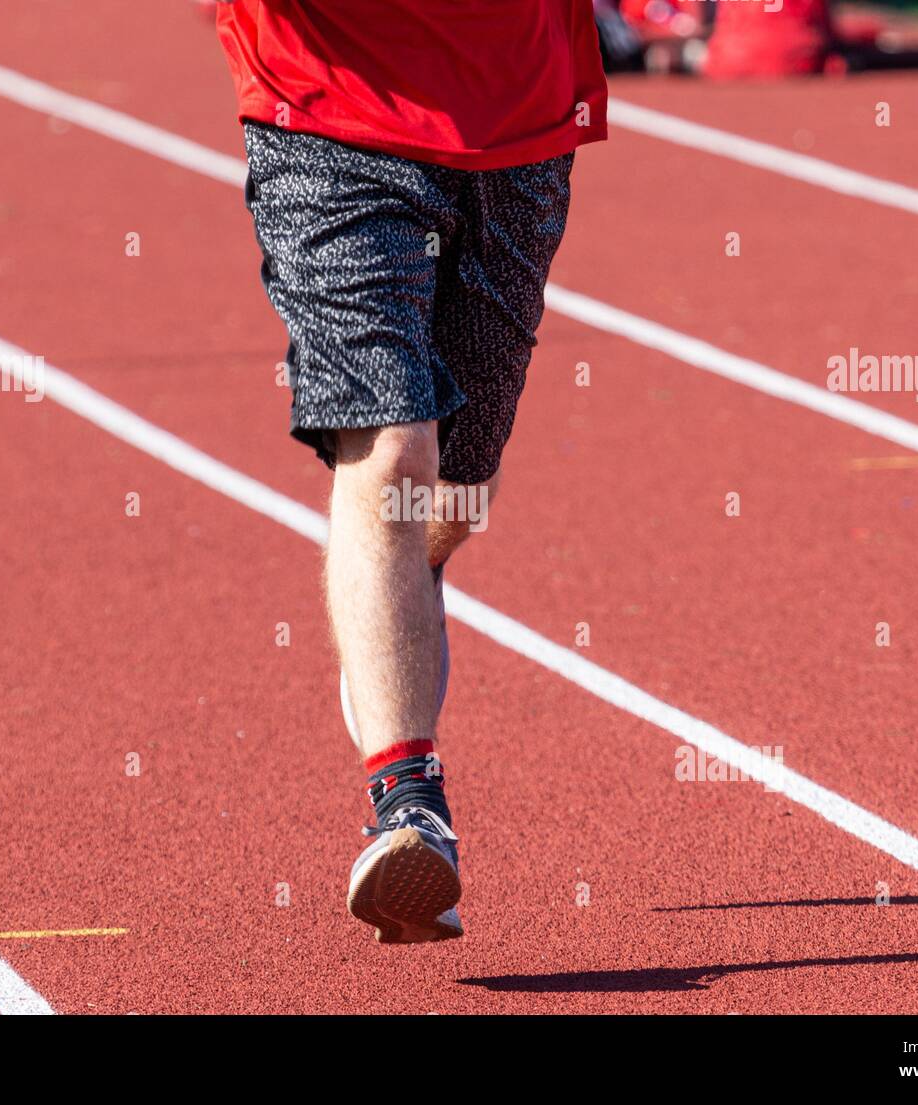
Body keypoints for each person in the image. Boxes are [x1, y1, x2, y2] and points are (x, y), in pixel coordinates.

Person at [214, 1, 607, 943]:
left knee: (454, 497)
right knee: (393, 447)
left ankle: (396, 589)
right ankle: (407, 801)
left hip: (516, 121)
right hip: (328, 115)